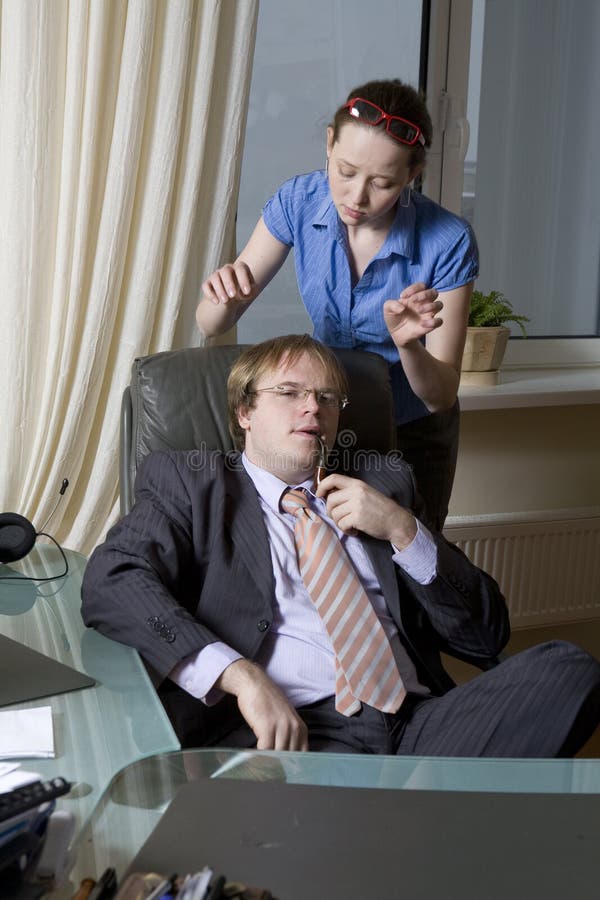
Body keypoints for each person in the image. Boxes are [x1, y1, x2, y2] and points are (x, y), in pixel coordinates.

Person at [81, 334, 600, 757]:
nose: (313, 408)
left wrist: (403, 531)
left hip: (421, 725)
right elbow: (114, 579)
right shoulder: (193, 484)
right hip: (304, 732)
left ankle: (412, 813)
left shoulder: (384, 484)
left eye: (327, 398)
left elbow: (487, 637)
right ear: (244, 412)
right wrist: (241, 679)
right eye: (290, 393)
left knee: (570, 669)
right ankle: (419, 818)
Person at [196, 79, 478, 530]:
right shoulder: (299, 202)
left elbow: (441, 394)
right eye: (345, 171)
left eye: (382, 183)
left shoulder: (448, 240)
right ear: (329, 143)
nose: (357, 197)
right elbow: (211, 324)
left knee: (413, 566)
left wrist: (409, 346)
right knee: (324, 551)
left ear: (413, 173)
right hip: (329, 419)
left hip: (414, 431)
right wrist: (221, 297)